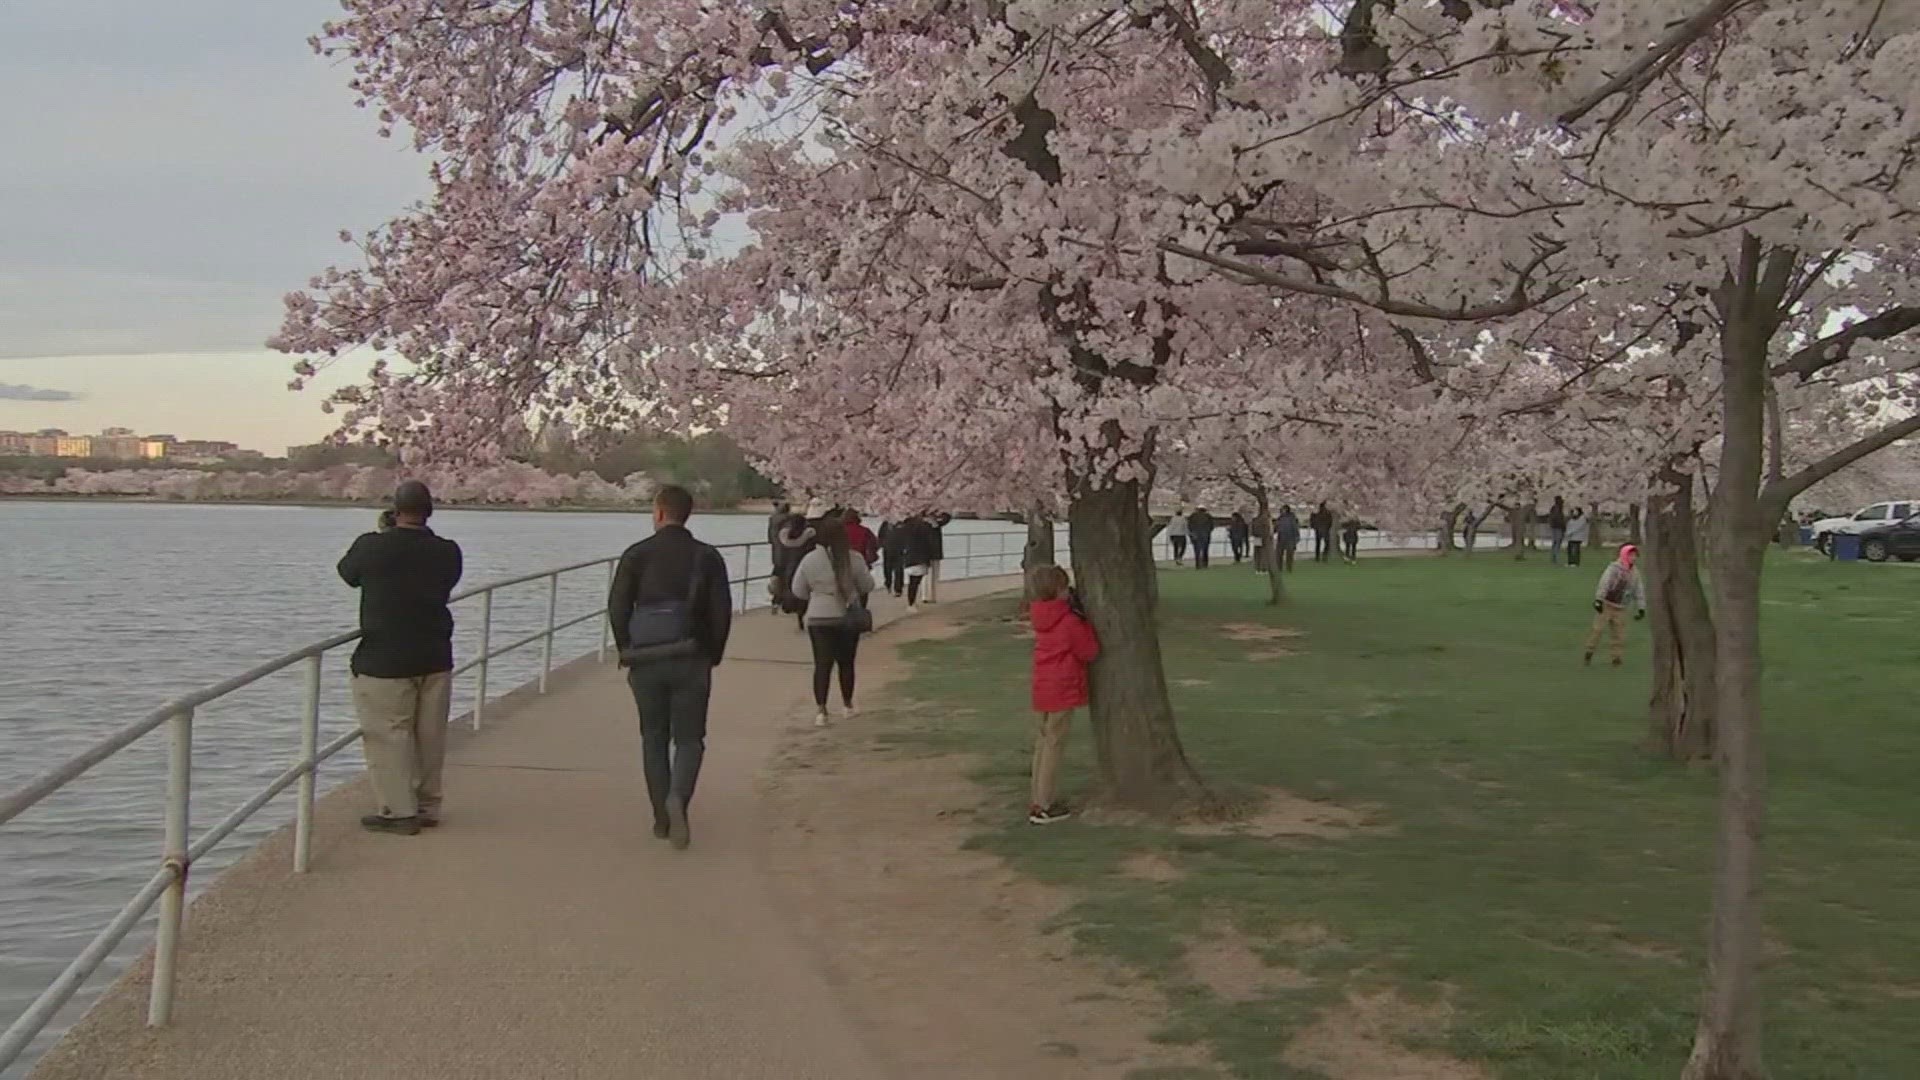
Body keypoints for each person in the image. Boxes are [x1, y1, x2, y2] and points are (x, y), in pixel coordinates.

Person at [608, 485, 734, 849]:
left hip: (646, 659)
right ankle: (679, 797)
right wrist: (712, 654)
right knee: (690, 738)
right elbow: (721, 612)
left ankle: (661, 817)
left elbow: (617, 607)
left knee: (653, 737)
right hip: (691, 656)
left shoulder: (636, 555)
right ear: (687, 514)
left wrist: (627, 649)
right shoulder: (707, 557)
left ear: (660, 513)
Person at [337, 481, 464, 836]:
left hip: (384, 655)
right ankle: (427, 804)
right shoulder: (447, 551)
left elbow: (348, 575)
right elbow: (445, 581)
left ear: (394, 510)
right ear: (430, 512)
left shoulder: (371, 546)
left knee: (388, 734)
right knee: (430, 734)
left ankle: (398, 810)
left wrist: (383, 533)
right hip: (434, 652)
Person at [1026, 565, 1099, 825]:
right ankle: (1044, 806)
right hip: (1062, 687)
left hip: (1043, 686)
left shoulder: (1041, 617)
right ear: (1059, 590)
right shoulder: (1069, 622)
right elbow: (1089, 652)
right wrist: (1085, 623)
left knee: (1043, 742)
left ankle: (1037, 797)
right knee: (1054, 745)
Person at [792, 517, 875, 727]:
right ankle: (847, 705)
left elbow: (798, 590)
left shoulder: (809, 560)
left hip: (819, 617)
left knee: (822, 665)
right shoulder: (853, 559)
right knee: (846, 663)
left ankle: (821, 711)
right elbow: (868, 585)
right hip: (845, 617)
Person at [1584, 543, 1645, 667]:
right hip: (1607, 605)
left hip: (1621, 608)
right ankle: (1589, 651)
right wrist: (1599, 600)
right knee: (1597, 630)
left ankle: (1616, 658)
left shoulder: (1635, 573)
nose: (1634, 558)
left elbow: (1638, 590)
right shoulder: (1614, 569)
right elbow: (1604, 583)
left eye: (1635, 555)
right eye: (1631, 555)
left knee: (1619, 634)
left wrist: (1641, 607)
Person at [900, 514, 939, 606]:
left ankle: (911, 602)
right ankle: (912, 601)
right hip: (921, 558)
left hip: (910, 558)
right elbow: (930, 543)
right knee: (915, 582)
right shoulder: (925, 528)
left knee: (912, 581)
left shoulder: (905, 529)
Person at [878, 518, 908, 597]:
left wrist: (906, 547)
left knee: (899, 569)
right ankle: (888, 584)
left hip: (899, 549)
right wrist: (881, 544)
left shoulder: (903, 523)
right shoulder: (886, 523)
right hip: (887, 549)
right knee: (887, 569)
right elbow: (880, 535)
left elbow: (907, 535)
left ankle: (898, 589)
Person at [925, 512, 951, 602]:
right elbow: (947, 517)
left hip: (930, 551)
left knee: (930, 574)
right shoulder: (934, 524)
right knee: (930, 574)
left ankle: (929, 596)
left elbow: (947, 517)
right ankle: (929, 596)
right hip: (931, 551)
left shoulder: (925, 524)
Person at [1274, 505, 1300, 572]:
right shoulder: (1280, 518)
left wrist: (1296, 537)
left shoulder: (1291, 518)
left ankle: (1288, 568)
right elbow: (1276, 528)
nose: (1282, 511)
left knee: (1289, 555)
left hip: (1289, 538)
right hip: (1281, 538)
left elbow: (1295, 528)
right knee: (1279, 554)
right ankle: (1279, 568)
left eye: (1283, 510)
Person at [1548, 496, 1569, 564]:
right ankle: (1555, 558)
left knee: (1555, 542)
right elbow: (1558, 519)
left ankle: (1554, 557)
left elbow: (1552, 518)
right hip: (1558, 527)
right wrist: (1563, 526)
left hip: (1555, 527)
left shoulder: (1555, 508)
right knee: (1557, 542)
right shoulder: (1558, 509)